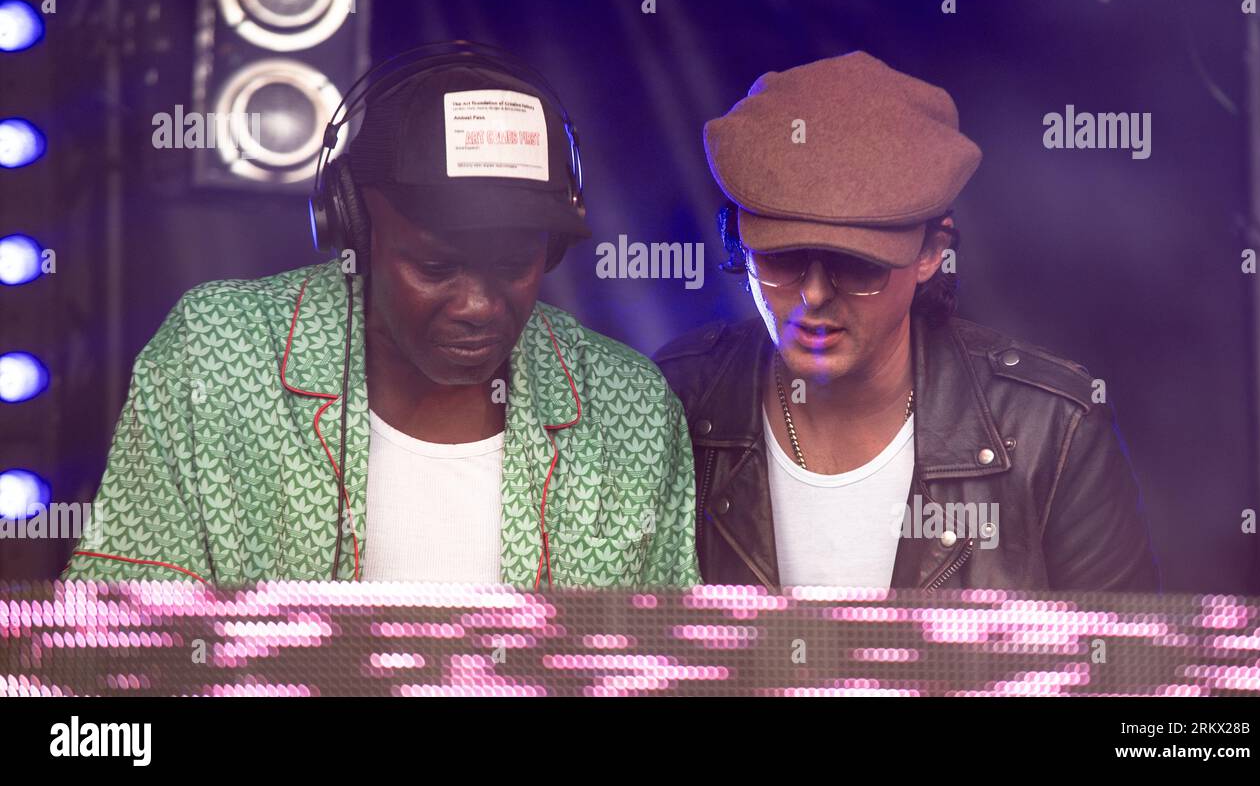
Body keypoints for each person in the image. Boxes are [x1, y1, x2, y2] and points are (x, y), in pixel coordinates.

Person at [63, 47, 699, 588]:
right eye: (436, 267)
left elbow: (668, 669)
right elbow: (123, 639)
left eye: (512, 265)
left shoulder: (630, 408)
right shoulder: (217, 359)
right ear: (356, 228)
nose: (478, 307)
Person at [654, 51, 1159, 591]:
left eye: (856, 264)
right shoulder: (676, 400)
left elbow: (1123, 666)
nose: (815, 294)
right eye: (783, 257)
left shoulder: (1050, 428)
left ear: (930, 252)